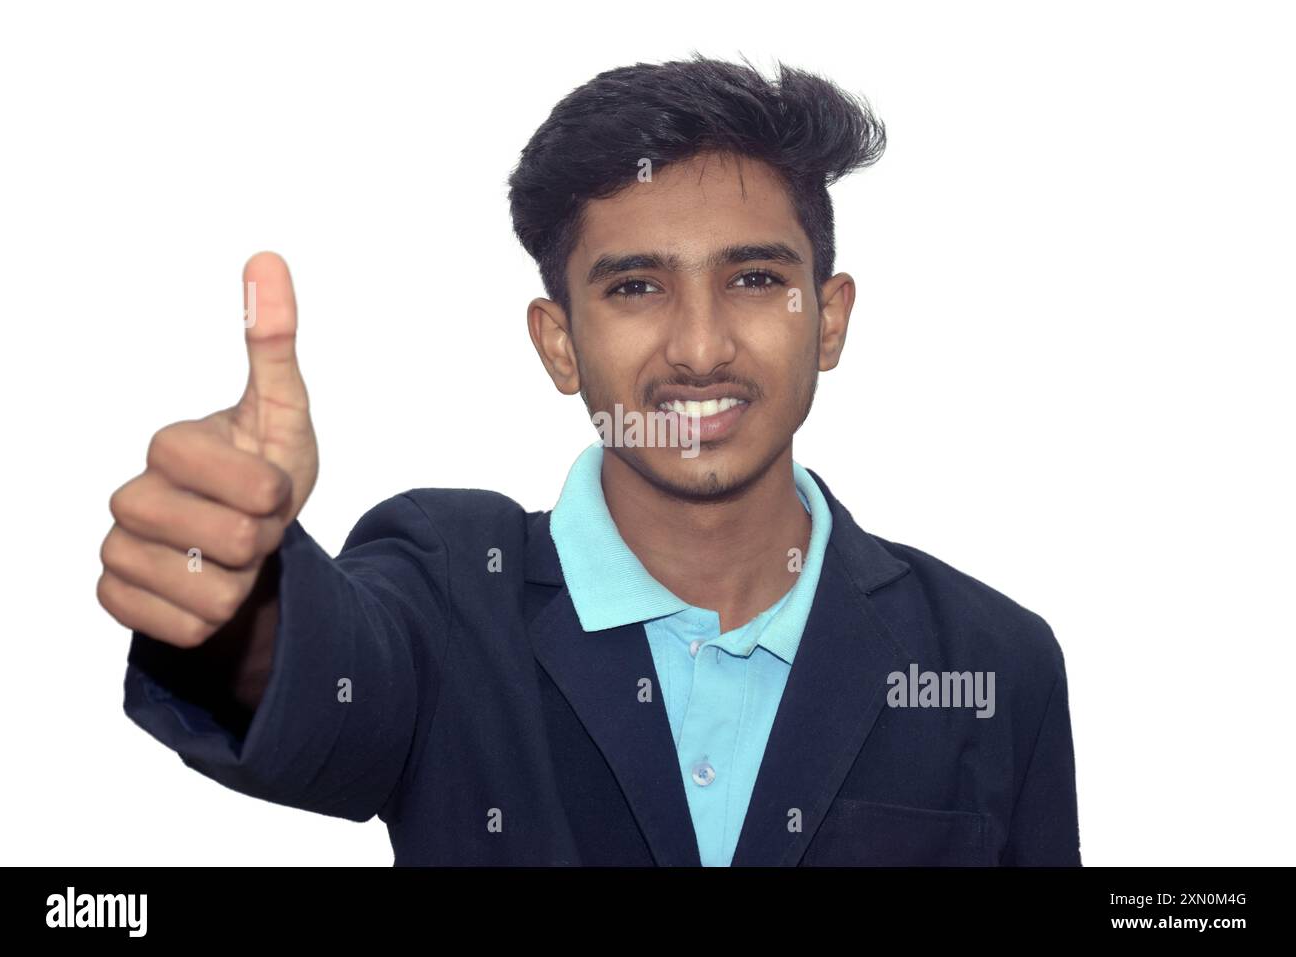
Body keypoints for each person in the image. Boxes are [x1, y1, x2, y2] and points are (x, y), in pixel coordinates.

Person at [97, 55, 1080, 866]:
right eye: (637, 287)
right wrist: (233, 596)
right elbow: (326, 687)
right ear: (557, 342)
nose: (699, 347)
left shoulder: (990, 659)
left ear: (827, 319)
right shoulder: (453, 591)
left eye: (751, 278)